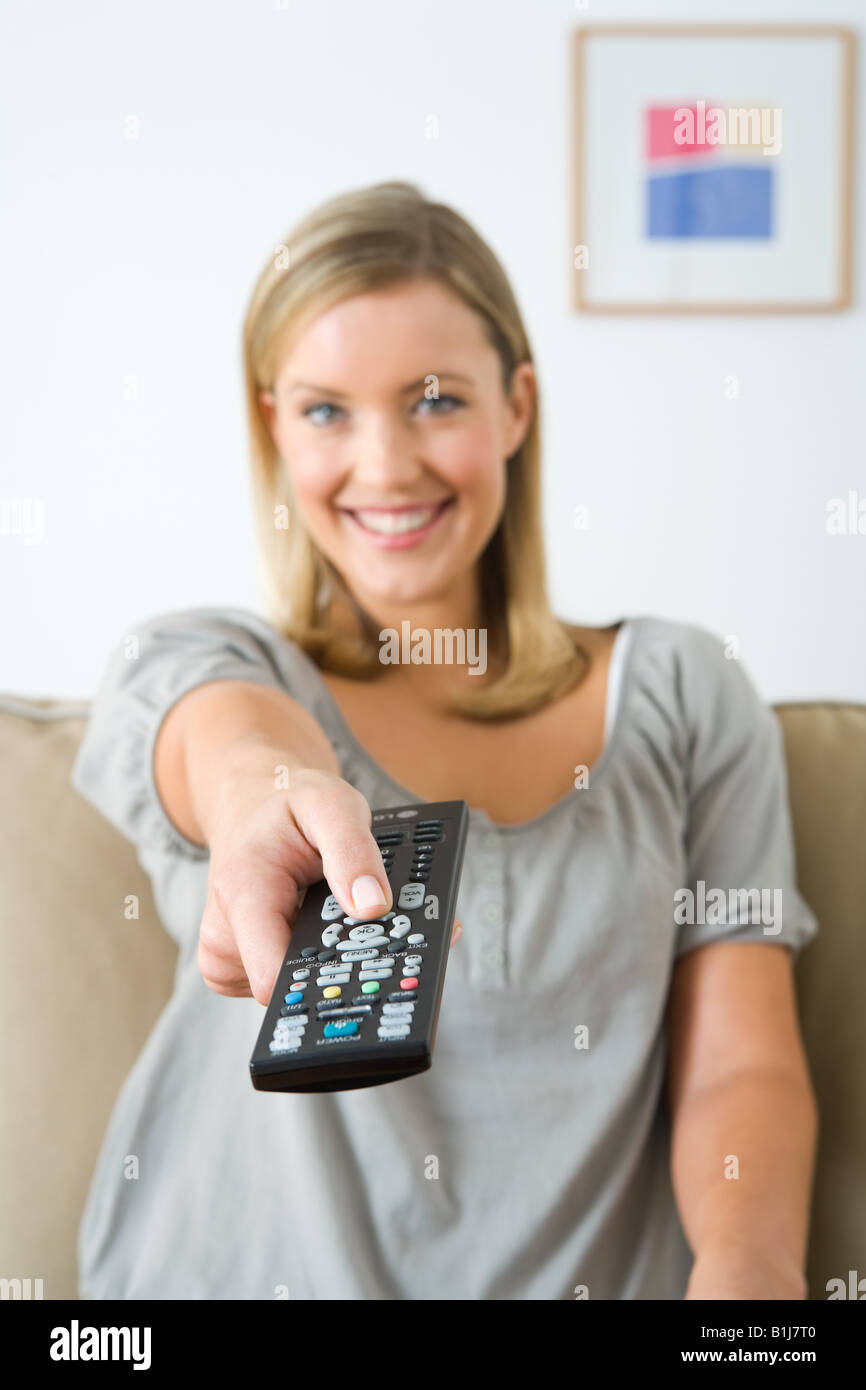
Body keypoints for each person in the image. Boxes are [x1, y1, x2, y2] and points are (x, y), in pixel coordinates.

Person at [71, 180, 819, 1301]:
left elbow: (744, 1064)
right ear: (273, 423)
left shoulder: (680, 691)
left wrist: (750, 1282)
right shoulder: (213, 664)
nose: (383, 466)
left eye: (432, 401)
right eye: (325, 410)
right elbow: (221, 745)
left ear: (515, 405)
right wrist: (258, 792)